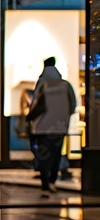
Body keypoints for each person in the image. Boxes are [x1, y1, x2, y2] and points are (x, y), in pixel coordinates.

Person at [27, 56, 76, 196]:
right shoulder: (65, 85)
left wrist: (30, 120)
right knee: (56, 155)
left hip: (41, 128)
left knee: (43, 156)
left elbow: (35, 104)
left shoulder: (42, 85)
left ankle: (45, 184)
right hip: (59, 127)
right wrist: (64, 118)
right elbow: (73, 105)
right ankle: (52, 181)